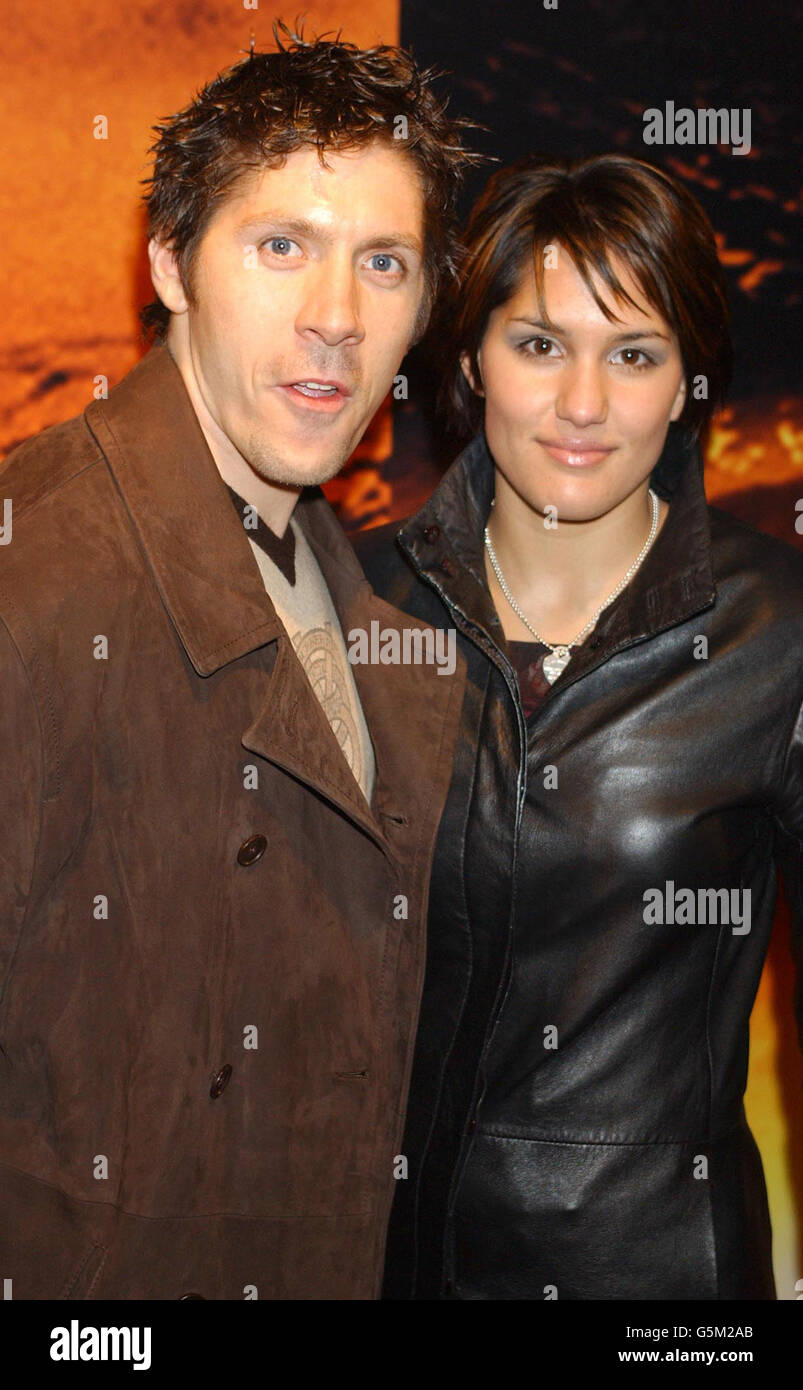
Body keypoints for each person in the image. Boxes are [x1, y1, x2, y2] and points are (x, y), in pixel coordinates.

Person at [0, 27, 476, 1299]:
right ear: (169, 261)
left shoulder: (345, 576)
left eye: (383, 263)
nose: (335, 318)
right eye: (282, 247)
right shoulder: (32, 572)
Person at [356, 153, 803, 1300]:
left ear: (685, 378)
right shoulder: (355, 608)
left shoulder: (775, 634)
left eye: (634, 353)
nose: (583, 405)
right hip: (383, 1265)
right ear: (467, 359)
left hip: (660, 1285)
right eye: (539, 343)